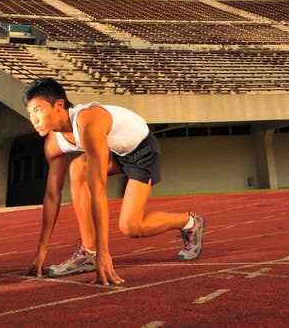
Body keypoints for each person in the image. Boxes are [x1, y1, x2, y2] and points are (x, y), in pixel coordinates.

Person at [23, 77, 205, 285]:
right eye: (30, 113)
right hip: (115, 151)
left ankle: (190, 222)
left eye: (38, 110)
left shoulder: (88, 121)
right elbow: (52, 196)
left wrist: (105, 253)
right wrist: (41, 251)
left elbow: (98, 188)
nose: (33, 119)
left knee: (131, 227)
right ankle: (88, 252)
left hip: (141, 150)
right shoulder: (53, 144)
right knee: (77, 168)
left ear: (59, 105)